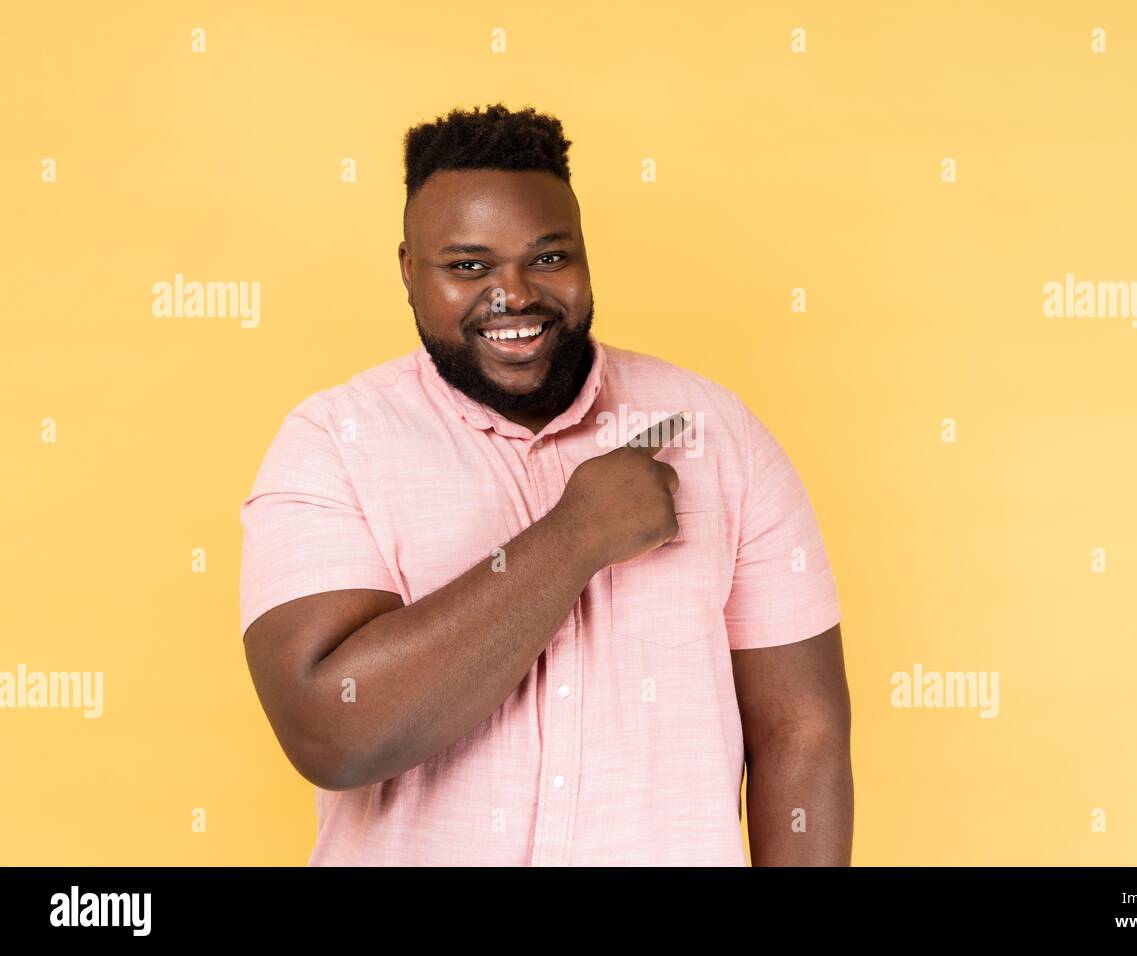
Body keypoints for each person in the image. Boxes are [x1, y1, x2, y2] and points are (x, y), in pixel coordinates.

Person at [239, 103, 852, 865]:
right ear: (407, 271)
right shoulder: (334, 444)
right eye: (469, 266)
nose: (515, 294)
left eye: (549, 258)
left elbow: (803, 734)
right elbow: (330, 730)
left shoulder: (719, 435)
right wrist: (578, 537)